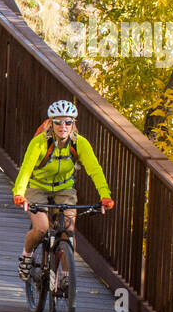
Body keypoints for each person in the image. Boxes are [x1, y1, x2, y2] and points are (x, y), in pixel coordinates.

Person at [12, 100, 114, 280]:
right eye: (57, 121)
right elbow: (26, 169)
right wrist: (19, 193)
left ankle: (66, 278)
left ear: (73, 123)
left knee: (68, 231)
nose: (63, 126)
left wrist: (105, 196)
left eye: (68, 122)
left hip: (65, 189)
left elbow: (95, 170)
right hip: (38, 187)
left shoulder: (80, 143)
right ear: (50, 123)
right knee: (42, 228)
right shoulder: (39, 143)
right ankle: (26, 256)